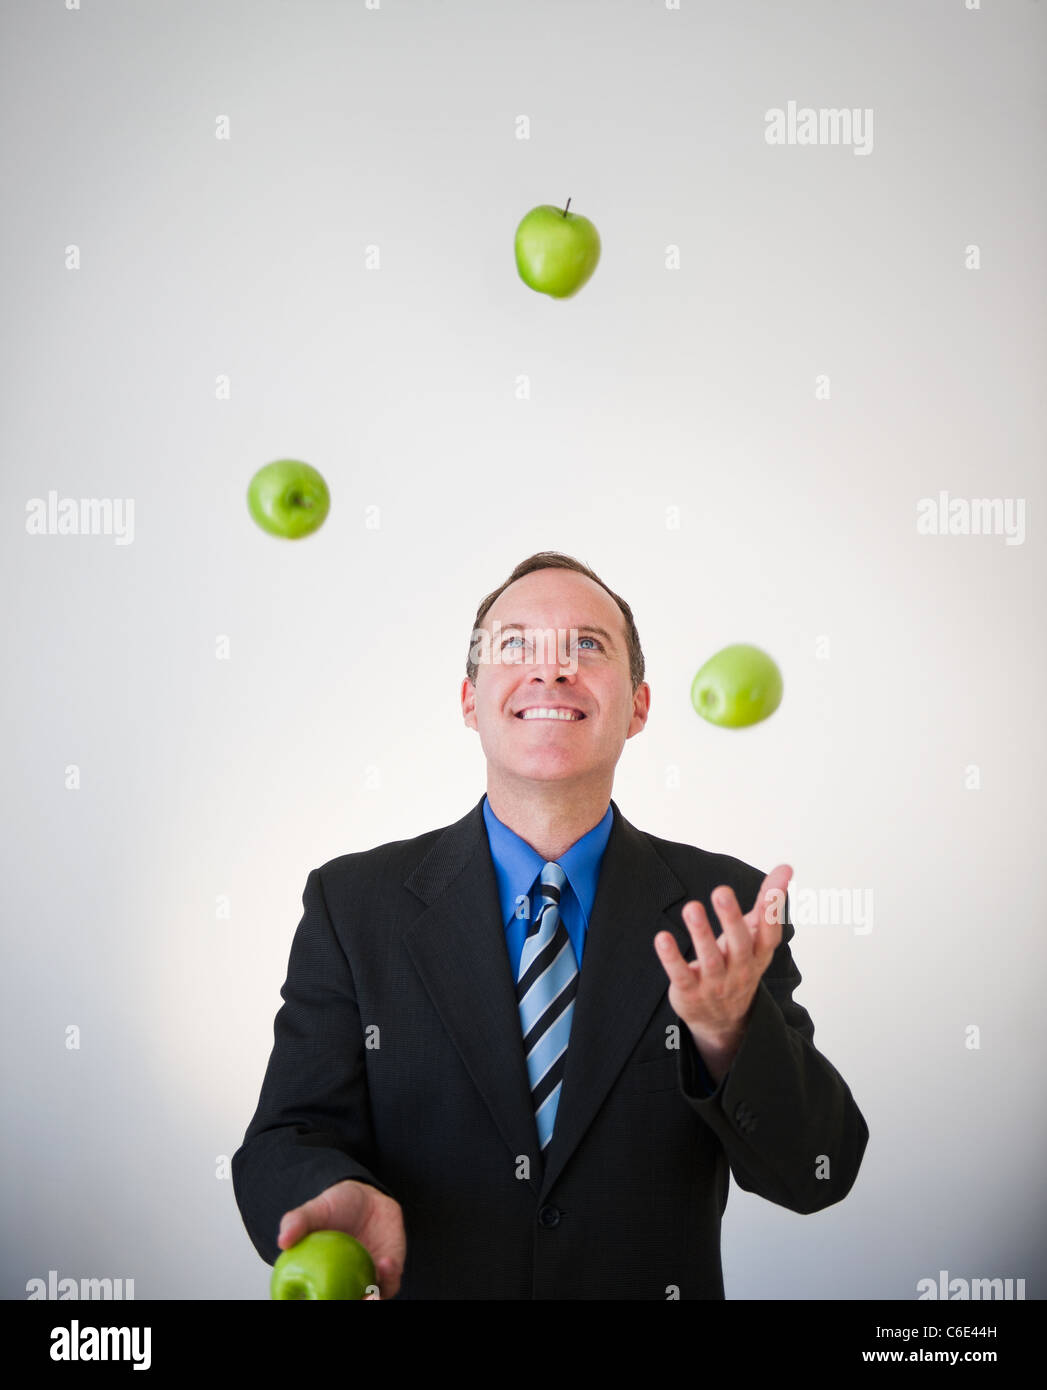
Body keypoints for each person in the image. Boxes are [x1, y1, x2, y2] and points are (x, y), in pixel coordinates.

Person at [232, 551, 868, 1300]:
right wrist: (330, 1190)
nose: (551, 670)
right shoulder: (352, 904)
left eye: (587, 646)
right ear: (471, 700)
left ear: (637, 707)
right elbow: (286, 1135)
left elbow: (817, 1169)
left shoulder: (726, 905)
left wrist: (728, 1036)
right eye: (516, 645)